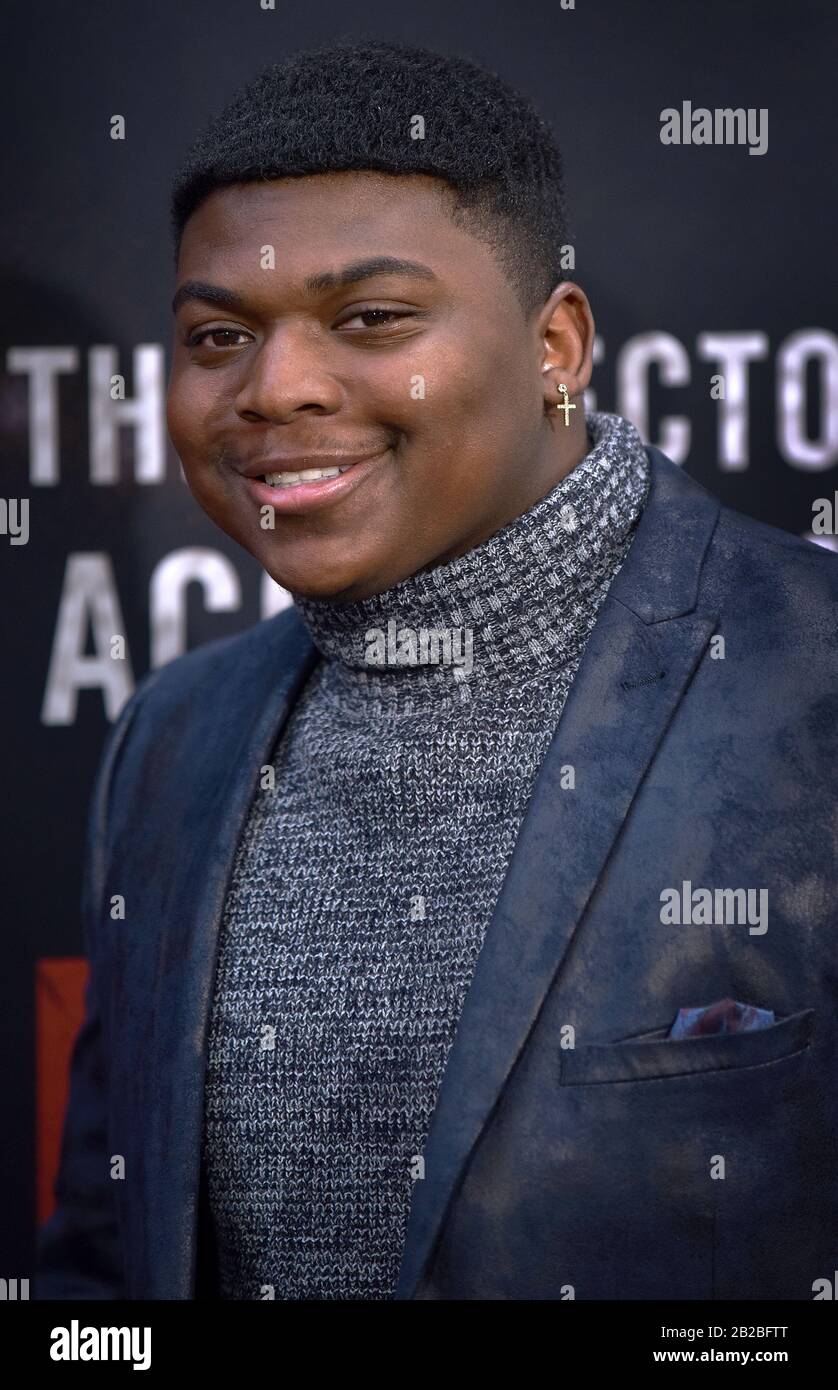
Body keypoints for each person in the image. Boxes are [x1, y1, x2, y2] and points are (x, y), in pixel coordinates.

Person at [36, 37, 838, 1302]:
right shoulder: (169, 743)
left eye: (370, 318)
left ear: (556, 347)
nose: (275, 386)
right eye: (217, 335)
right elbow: (101, 1263)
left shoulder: (814, 678)